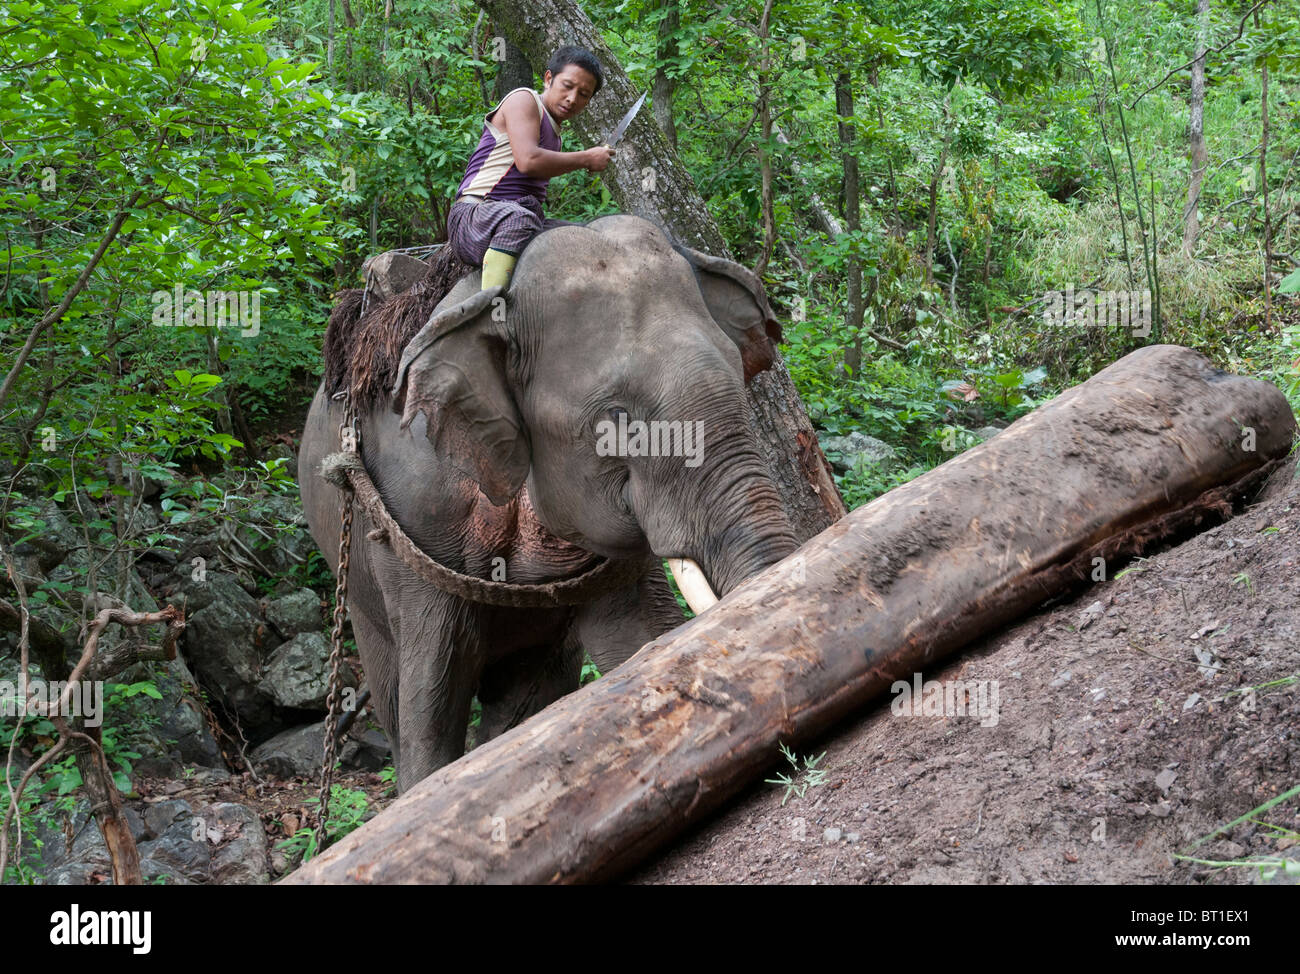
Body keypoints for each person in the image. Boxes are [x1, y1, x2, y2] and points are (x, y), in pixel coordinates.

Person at [447, 45, 615, 289]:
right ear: (549, 79)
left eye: (583, 94)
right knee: (520, 220)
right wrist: (586, 158)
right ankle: (491, 309)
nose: (572, 98)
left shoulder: (556, 134)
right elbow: (527, 161)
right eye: (568, 86)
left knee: (585, 237)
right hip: (474, 217)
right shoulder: (523, 100)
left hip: (516, 216)